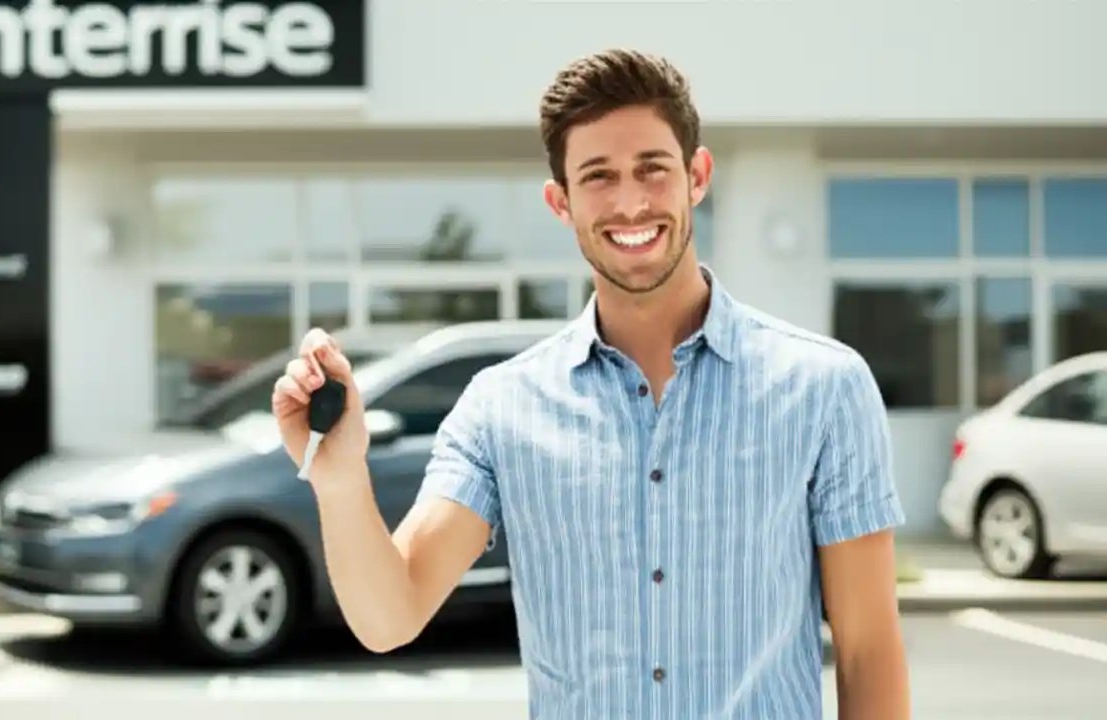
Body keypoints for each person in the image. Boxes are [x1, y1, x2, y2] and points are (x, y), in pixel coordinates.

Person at [272, 48, 910, 719]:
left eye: (652, 169)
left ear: (697, 175)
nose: (631, 202)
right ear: (560, 200)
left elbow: (868, 649)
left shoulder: (825, 388)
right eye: (599, 176)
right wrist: (339, 477)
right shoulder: (501, 408)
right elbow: (390, 615)